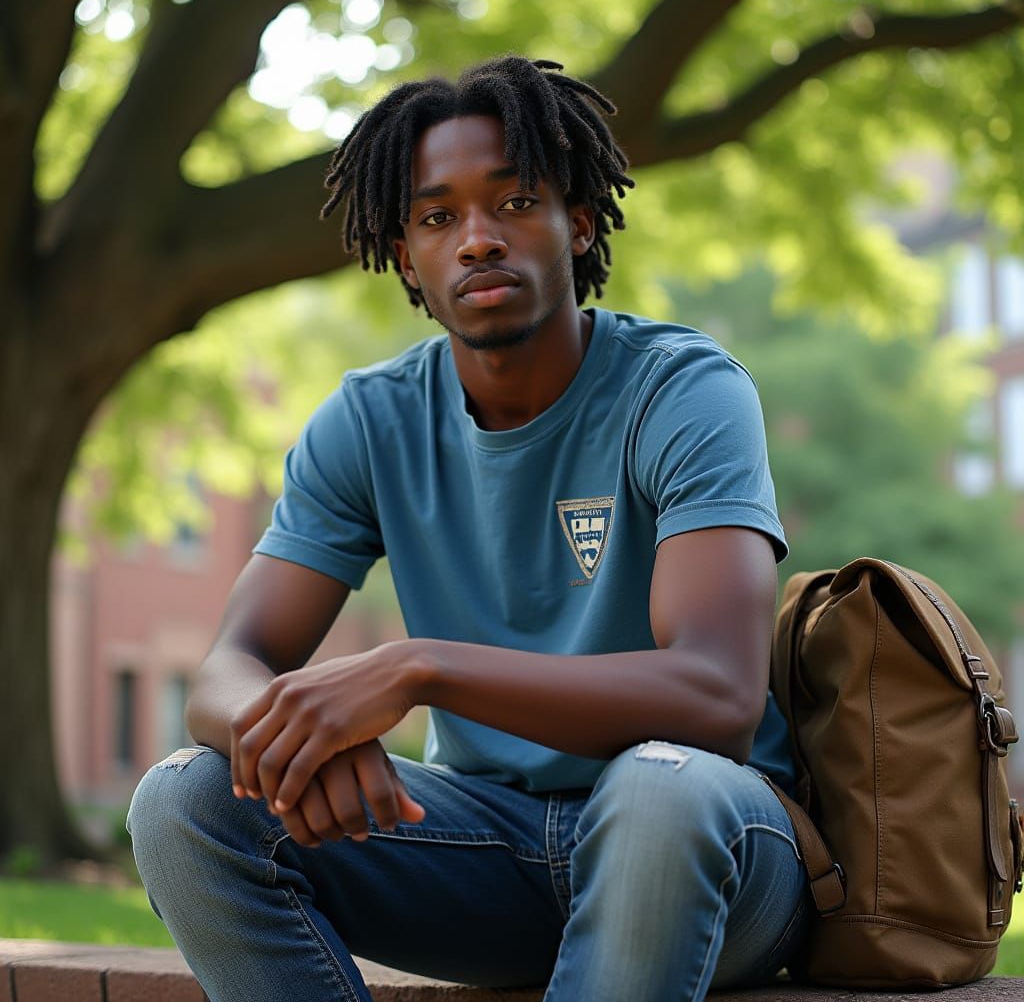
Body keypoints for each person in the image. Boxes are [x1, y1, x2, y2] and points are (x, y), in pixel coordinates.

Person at [128, 55, 808, 1002]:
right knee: (184, 799)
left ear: (577, 222)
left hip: (713, 850)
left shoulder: (683, 390)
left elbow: (716, 693)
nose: (478, 239)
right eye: (438, 217)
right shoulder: (370, 421)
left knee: (659, 788)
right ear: (406, 256)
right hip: (485, 852)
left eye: (515, 201)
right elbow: (229, 666)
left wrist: (417, 667)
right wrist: (296, 736)